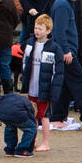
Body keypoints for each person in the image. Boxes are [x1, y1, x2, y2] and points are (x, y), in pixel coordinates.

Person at [20, 14, 64, 152]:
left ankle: (46, 142)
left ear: (48, 30)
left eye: (40, 28)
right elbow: (25, 62)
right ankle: (33, 139)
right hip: (32, 85)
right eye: (35, 28)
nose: (37, 31)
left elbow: (59, 72)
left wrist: (54, 90)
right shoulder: (29, 43)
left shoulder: (54, 48)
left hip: (45, 88)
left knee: (44, 115)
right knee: (31, 113)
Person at [0, 88, 38, 157]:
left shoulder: (19, 99)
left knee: (10, 127)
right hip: (17, 114)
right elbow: (32, 120)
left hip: (4, 113)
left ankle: (10, 150)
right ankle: (22, 150)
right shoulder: (29, 107)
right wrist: (31, 145)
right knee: (31, 128)